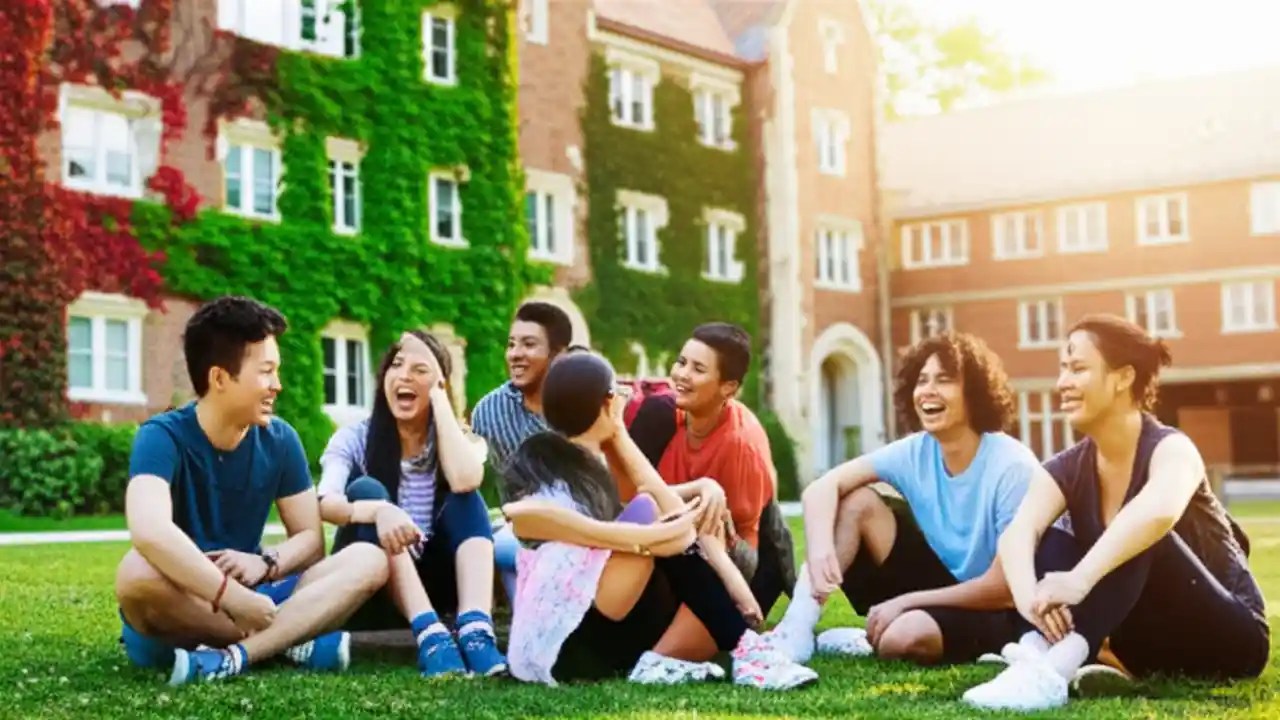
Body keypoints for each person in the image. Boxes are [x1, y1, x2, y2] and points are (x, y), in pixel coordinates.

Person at [962, 315, 1270, 711]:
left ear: (1123, 378)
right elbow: (1018, 533)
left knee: (1138, 527)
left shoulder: (1172, 449)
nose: (1062, 384)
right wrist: (1029, 603)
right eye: (1063, 370)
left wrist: (1081, 578)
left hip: (1228, 638)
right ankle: (1036, 649)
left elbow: (1157, 513)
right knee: (1051, 537)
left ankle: (1053, 670)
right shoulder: (1068, 467)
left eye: (1078, 369)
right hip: (1148, 643)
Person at [499, 351, 818, 690]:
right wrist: (639, 540)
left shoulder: (603, 457)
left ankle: (731, 650)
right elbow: (522, 518)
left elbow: (668, 510)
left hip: (605, 629)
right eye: (619, 393)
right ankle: (746, 650)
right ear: (608, 401)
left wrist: (620, 436)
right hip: (565, 645)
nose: (625, 399)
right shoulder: (540, 454)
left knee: (653, 510)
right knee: (655, 522)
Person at [114, 296, 389, 685]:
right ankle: (287, 642)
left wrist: (266, 563)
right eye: (266, 372)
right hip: (183, 611)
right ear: (220, 378)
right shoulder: (161, 437)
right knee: (135, 573)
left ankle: (240, 654)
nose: (277, 385)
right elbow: (148, 530)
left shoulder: (280, 439)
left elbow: (311, 540)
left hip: (258, 599)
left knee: (368, 558)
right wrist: (230, 597)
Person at [766, 331, 1041, 668]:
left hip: (1000, 606)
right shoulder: (916, 449)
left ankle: (880, 632)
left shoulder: (1012, 466)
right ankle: (796, 629)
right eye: (921, 380)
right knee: (857, 502)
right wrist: (822, 549)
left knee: (902, 639)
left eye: (944, 379)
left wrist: (905, 602)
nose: (928, 391)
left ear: (974, 391)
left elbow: (1006, 586)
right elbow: (822, 488)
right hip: (942, 580)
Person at [317, 331, 505, 678]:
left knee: (467, 498)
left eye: (420, 369)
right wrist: (379, 510)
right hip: (379, 581)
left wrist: (440, 401)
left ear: (439, 384)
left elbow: (466, 478)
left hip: (437, 581)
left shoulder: (452, 442)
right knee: (366, 487)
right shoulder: (356, 437)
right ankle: (431, 637)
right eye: (396, 365)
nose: (404, 375)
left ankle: (476, 630)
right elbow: (326, 502)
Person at [625, 323, 794, 659]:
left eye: (698, 369)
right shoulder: (666, 416)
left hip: (735, 559)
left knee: (660, 655)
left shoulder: (738, 445)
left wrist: (737, 592)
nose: (682, 375)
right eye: (681, 362)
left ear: (728, 387)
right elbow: (636, 498)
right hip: (677, 545)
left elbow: (737, 542)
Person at [471, 301, 574, 601]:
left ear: (558, 355)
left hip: (581, 526)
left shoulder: (583, 402)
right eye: (512, 344)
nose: (515, 354)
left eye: (529, 345)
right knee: (506, 548)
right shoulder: (489, 412)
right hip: (521, 529)